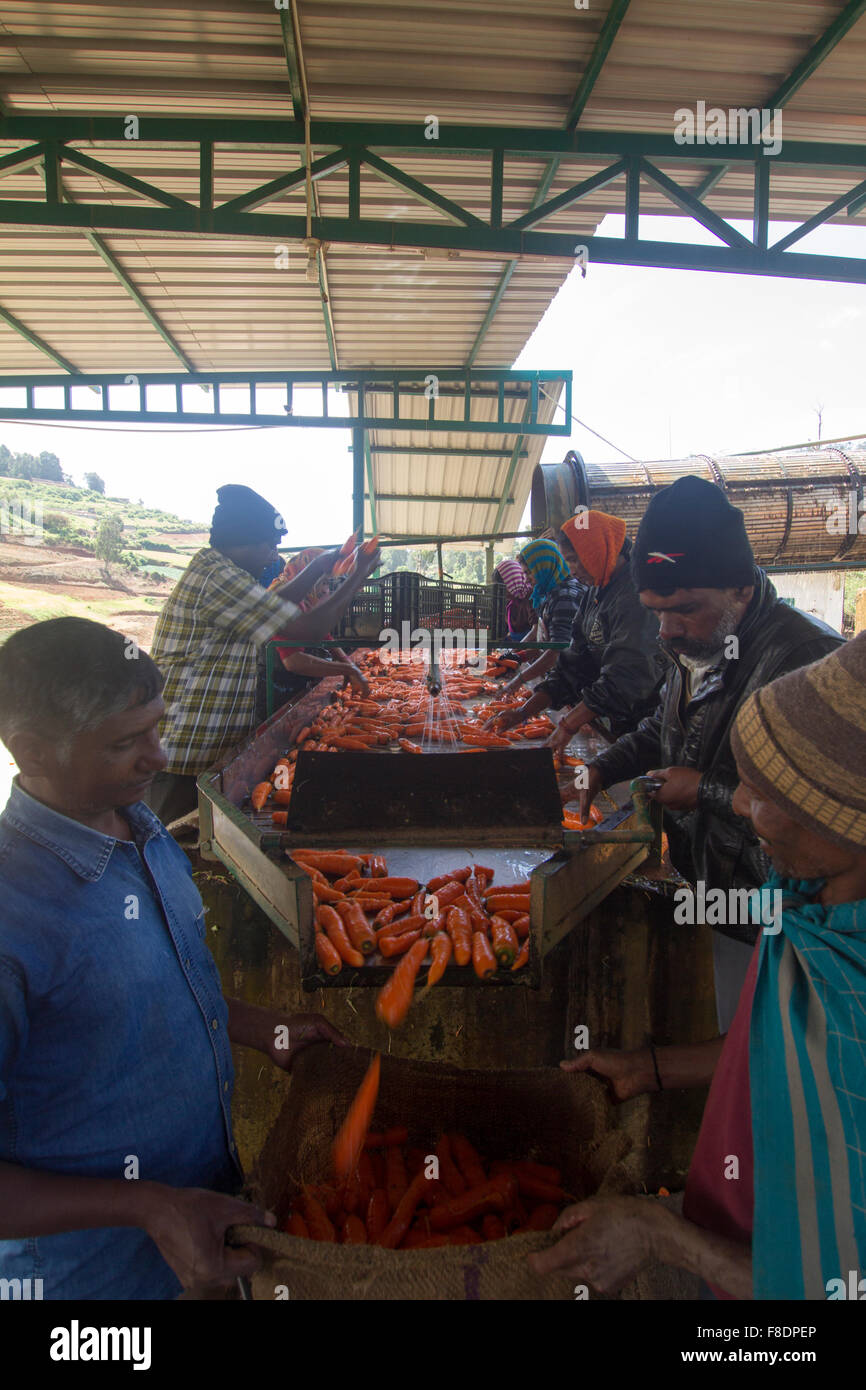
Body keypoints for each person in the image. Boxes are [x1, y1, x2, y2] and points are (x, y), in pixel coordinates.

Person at [0, 618, 347, 1299]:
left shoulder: (141, 826)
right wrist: (146, 1205)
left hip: (206, 1235)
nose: (160, 758)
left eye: (158, 727)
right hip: (91, 1284)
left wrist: (261, 1029)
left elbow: (160, 987)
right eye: (126, 743)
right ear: (31, 751)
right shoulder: (15, 916)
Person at [530, 634, 866, 1300]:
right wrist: (651, 1068)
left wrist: (662, 1238)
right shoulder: (799, 900)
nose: (740, 805)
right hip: (740, 1220)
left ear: (844, 823)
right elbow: (769, 1040)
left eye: (768, 796)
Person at [577, 476, 842, 1029]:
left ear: (740, 588)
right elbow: (664, 727)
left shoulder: (808, 661)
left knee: (786, 1054)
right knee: (738, 1040)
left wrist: (704, 790)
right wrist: (602, 767)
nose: (667, 630)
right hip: (723, 895)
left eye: (684, 609)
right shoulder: (702, 640)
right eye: (655, 611)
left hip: (790, 914)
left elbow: (828, 820)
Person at [148, 485, 380, 823]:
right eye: (269, 545)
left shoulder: (229, 573)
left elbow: (279, 606)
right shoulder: (217, 576)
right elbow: (306, 631)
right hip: (185, 747)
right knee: (174, 838)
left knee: (200, 843)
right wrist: (357, 575)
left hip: (209, 746)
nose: (274, 556)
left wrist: (323, 565)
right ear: (243, 540)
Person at [490, 510, 664, 747]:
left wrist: (569, 724)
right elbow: (572, 664)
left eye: (573, 559)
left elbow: (628, 677)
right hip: (614, 719)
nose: (571, 569)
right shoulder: (595, 590)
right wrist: (522, 712)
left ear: (595, 551)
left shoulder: (634, 596)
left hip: (646, 727)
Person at [257, 547, 369, 720]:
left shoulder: (303, 598)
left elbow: (323, 634)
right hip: (276, 688)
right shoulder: (286, 599)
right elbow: (294, 661)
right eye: (323, 582)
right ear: (308, 576)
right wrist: (348, 669)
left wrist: (348, 664)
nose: (326, 589)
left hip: (290, 684)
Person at [498, 538, 584, 696]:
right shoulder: (547, 593)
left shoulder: (565, 596)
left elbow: (556, 650)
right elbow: (542, 640)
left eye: (529, 572)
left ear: (543, 567)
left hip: (575, 683)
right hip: (558, 676)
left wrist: (519, 680)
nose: (527, 578)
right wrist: (517, 656)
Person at [493, 558, 534, 642]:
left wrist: (517, 649)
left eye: (504, 587)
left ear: (512, 581)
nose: (501, 592)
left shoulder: (531, 597)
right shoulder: (510, 604)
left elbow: (535, 631)